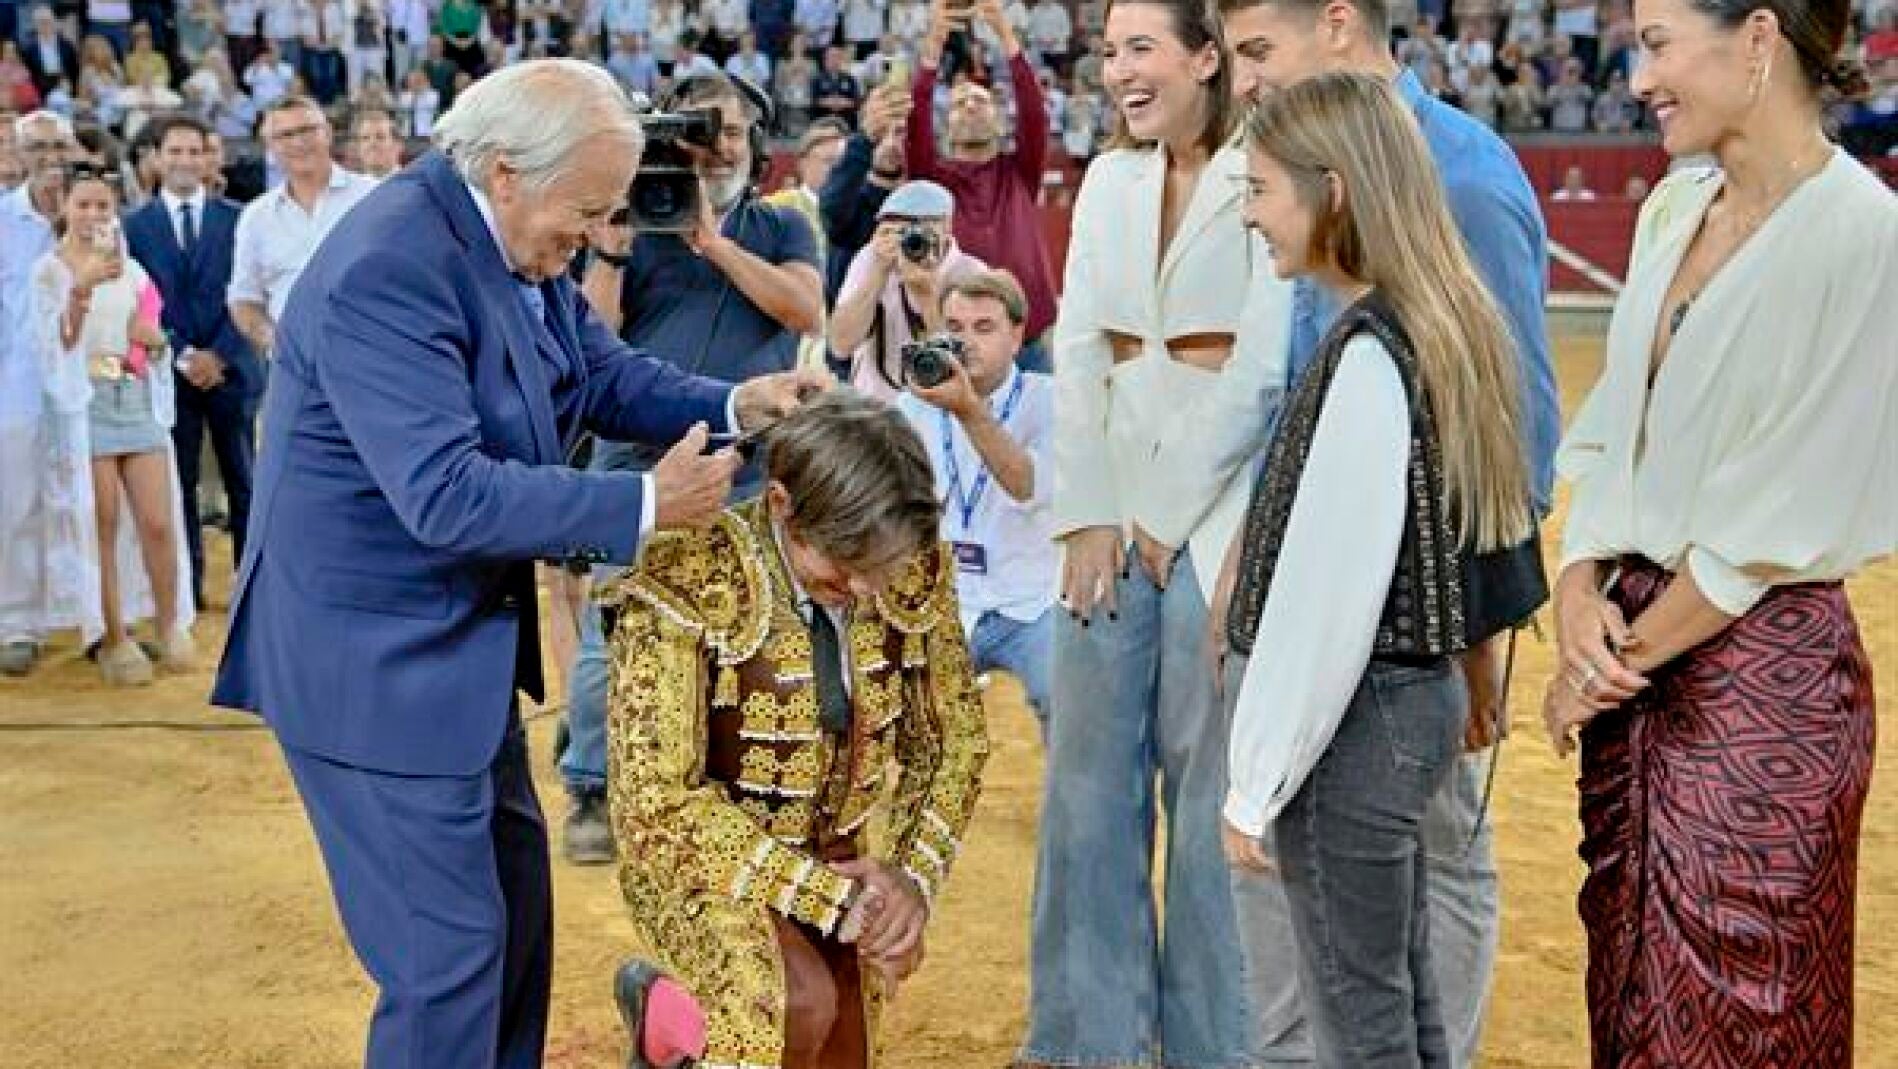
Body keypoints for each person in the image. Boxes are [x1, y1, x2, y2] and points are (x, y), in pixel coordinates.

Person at [208, 59, 830, 1069]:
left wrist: (735, 404)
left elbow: (599, 371)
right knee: (447, 957)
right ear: (505, 173)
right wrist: (641, 504)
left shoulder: (513, 243)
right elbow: (445, 493)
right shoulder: (389, 266)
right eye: (585, 210)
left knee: (513, 918)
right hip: (367, 668)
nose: (595, 235)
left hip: (449, 657)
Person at [1212, 0, 1562, 1061]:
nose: (1249, 216)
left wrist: (1256, 775)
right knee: (1384, 988)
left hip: (1371, 691)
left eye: (1260, 195)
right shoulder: (1398, 311)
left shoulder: (1383, 328)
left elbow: (1339, 584)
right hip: (1404, 670)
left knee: (1366, 992)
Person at [1545, 0, 1895, 1062]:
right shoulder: (1668, 208)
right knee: (1628, 995)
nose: (1636, 76)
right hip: (1632, 657)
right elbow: (1611, 428)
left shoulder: (1861, 235)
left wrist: (1603, 666)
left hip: (1761, 687)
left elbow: (1773, 512)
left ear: (1755, 37)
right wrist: (1574, 588)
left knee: (1746, 1017)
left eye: (1655, 44)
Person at [1018, 0, 1289, 1065]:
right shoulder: (1106, 180)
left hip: (1217, 522)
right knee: (1084, 791)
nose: (1117, 71)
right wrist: (1088, 511)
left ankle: (1210, 1049)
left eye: (1140, 49)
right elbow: (1074, 349)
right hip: (1104, 516)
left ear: (1203, 58)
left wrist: (1163, 519)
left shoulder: (1268, 164)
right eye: (1109, 51)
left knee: (1209, 796)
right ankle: (1083, 1043)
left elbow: (1263, 368)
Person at [600, 390, 990, 1069]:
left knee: (842, 1047)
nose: (870, 588)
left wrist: (908, 881)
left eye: (882, 564)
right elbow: (654, 804)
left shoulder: (911, 562)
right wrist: (831, 899)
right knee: (785, 1004)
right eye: (845, 563)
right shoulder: (687, 572)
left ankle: (665, 1026)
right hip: (698, 865)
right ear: (781, 505)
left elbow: (950, 742)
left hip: (840, 855)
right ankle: (670, 1016)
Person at [561, 69, 826, 866]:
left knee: (757, 622)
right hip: (635, 455)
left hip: (752, 460)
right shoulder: (628, 227)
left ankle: (739, 778)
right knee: (616, 630)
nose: (715, 151)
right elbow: (586, 339)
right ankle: (593, 786)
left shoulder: (779, 226)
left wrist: (712, 240)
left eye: (733, 134)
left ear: (757, 143)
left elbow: (805, 310)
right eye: (697, 135)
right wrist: (610, 250)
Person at [34, 160, 200, 684]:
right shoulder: (49, 271)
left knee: (156, 520)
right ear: (64, 209)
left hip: (133, 402)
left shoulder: (133, 270)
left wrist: (152, 344)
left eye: (102, 205)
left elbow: (150, 328)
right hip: (84, 409)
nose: (92, 215)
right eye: (82, 204)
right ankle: (114, 637)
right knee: (99, 524)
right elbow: (55, 346)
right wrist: (80, 289)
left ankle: (172, 624)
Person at [894, 270, 1056, 728]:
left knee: (1070, 707)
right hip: (946, 602)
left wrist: (968, 409)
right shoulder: (912, 408)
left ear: (1017, 335)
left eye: (983, 328)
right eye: (955, 329)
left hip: (1035, 599)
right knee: (908, 718)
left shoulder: (1050, 401)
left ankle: (1066, 803)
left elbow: (1025, 485)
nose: (966, 342)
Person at [123, 116, 260, 615]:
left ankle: (253, 584)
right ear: (157, 159)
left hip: (234, 368)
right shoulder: (133, 226)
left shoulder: (241, 218)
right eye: (174, 151)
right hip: (168, 373)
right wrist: (181, 354)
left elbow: (250, 291)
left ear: (209, 158)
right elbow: (138, 304)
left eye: (193, 151)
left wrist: (220, 353)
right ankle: (188, 589)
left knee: (245, 481)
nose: (184, 161)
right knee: (177, 484)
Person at [908, 0, 1059, 358]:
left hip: (1028, 340)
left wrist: (1007, 37)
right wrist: (932, 48)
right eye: (960, 103)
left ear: (1001, 121)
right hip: (956, 341)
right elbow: (915, 125)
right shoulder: (931, 180)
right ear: (945, 125)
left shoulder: (1020, 171)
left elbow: (1034, 112)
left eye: (982, 100)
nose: (972, 106)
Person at [0, 110, 77, 676]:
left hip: (91, 383)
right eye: (38, 146)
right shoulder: (2, 220)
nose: (51, 156)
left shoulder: (97, 216)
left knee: (94, 503)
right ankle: (18, 622)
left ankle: (101, 620)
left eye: (58, 145)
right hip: (20, 384)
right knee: (19, 503)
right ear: (17, 153)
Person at [227, 95, 375, 367]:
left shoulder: (372, 197)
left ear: (328, 133)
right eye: (285, 135)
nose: (298, 142)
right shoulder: (256, 217)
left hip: (369, 363)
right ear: (270, 146)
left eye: (307, 130)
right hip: (293, 372)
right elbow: (244, 299)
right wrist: (275, 341)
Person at [828, 179, 987, 403]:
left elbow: (969, 365)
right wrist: (878, 272)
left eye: (919, 226)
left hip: (942, 409)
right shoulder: (871, 259)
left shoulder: (971, 272)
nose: (911, 238)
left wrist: (927, 299)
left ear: (946, 225)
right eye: (899, 229)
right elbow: (840, 346)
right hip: (877, 409)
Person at [349, 108, 405, 178]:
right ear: (358, 148)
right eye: (365, 138)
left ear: (398, 146)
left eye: (380, 137)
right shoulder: (352, 186)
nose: (372, 143)